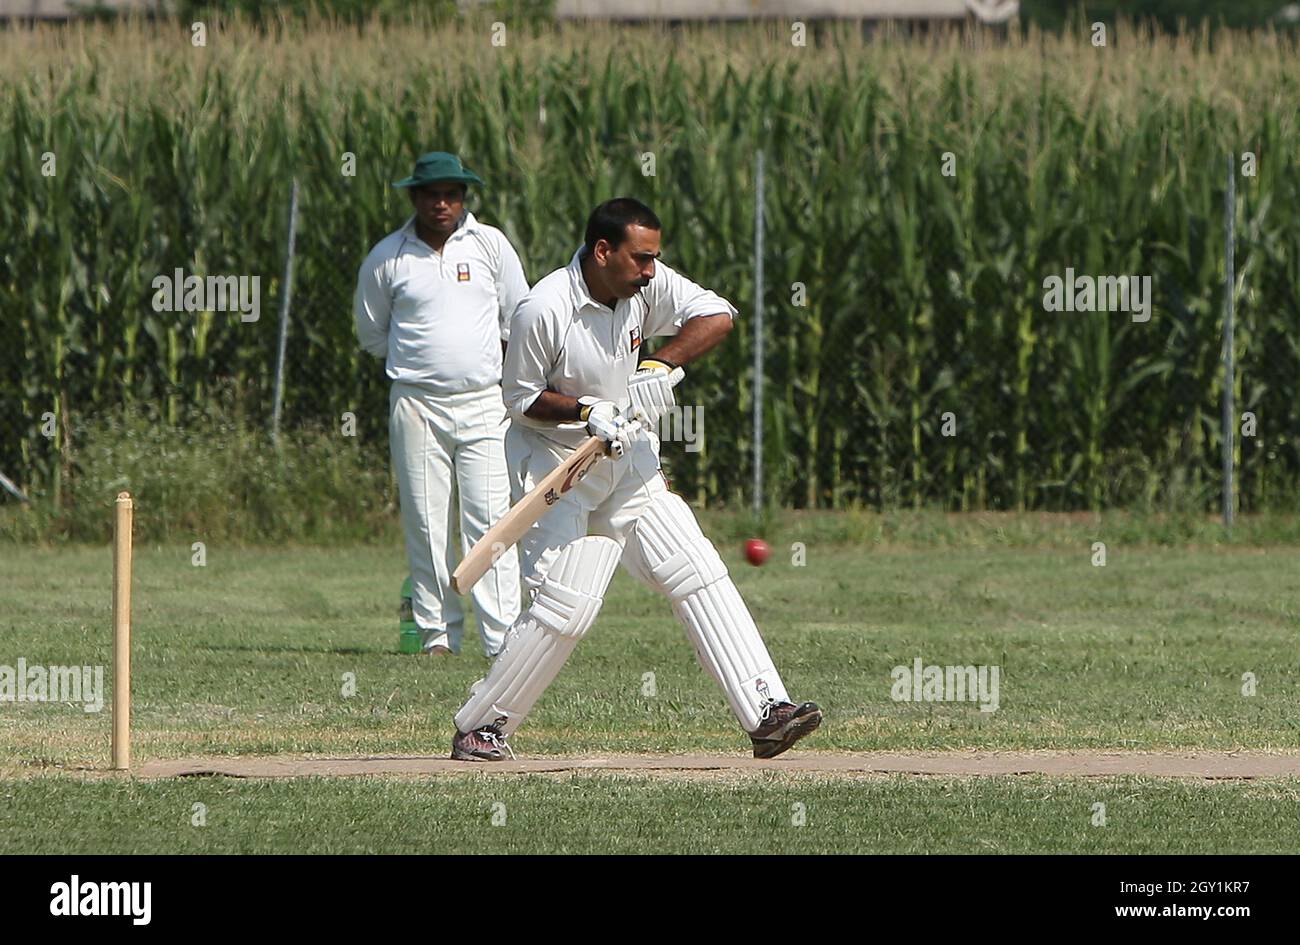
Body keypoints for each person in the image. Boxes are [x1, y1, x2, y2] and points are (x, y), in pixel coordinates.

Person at [449, 197, 822, 760]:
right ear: (603, 251)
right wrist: (584, 410)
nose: (650, 271)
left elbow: (717, 314)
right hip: (557, 466)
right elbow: (520, 399)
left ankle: (768, 711)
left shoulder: (643, 286)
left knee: (694, 567)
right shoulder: (543, 307)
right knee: (566, 606)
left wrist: (661, 364)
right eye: (641, 258)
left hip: (628, 460)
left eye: (654, 259)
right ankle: (483, 725)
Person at [354, 151, 525, 658]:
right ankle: (437, 636)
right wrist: (425, 367)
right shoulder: (388, 256)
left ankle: (503, 641)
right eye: (432, 194)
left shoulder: (491, 245)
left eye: (451, 194)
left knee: (492, 521)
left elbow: (518, 318)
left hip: (485, 401)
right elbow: (372, 334)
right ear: (415, 198)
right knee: (426, 521)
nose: (442, 203)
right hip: (416, 404)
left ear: (464, 197)